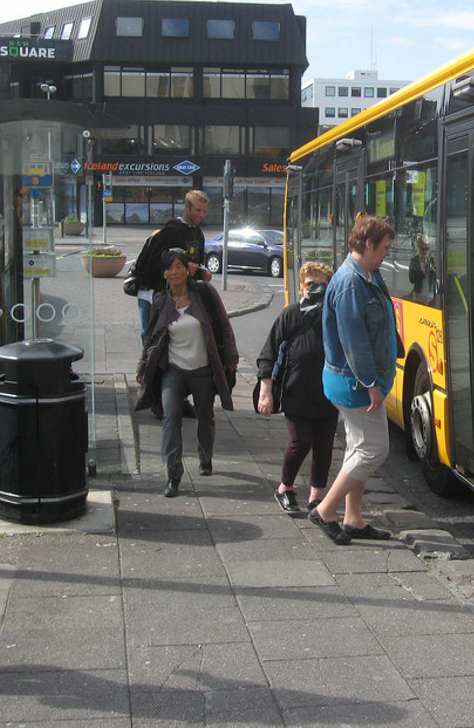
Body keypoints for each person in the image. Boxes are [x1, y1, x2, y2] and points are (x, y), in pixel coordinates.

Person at [308, 216, 399, 545]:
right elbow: (354, 342)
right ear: (368, 244)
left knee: (357, 448)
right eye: (385, 247)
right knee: (374, 449)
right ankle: (325, 510)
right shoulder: (350, 282)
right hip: (355, 384)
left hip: (358, 381)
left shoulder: (367, 274)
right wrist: (371, 383)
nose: (388, 253)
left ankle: (353, 518)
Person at [135, 248, 237, 498]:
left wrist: (230, 357)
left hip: (203, 369)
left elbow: (223, 324)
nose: (174, 272)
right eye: (169, 268)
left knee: (205, 416)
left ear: (187, 270)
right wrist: (142, 366)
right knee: (170, 419)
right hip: (174, 370)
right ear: (164, 273)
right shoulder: (161, 301)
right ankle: (173, 476)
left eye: (179, 266)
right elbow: (151, 337)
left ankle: (205, 457)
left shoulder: (204, 293)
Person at [256, 262, 337, 513]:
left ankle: (316, 496)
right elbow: (268, 353)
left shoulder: (334, 316)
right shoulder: (291, 314)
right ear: (302, 287)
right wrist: (266, 392)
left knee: (324, 446)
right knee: (300, 441)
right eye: (310, 284)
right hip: (296, 391)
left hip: (328, 393)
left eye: (322, 285)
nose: (316, 289)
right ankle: (285, 487)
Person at [134, 190, 213, 341]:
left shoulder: (198, 234)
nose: (201, 215)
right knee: (151, 335)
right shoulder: (171, 231)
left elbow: (196, 265)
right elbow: (153, 264)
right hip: (154, 292)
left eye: (204, 211)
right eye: (198, 210)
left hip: (180, 294)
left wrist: (201, 273)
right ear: (187, 207)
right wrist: (184, 267)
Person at [408, 236, 436, 302]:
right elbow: (411, 279)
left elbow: (436, 275)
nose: (425, 251)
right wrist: (422, 273)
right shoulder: (415, 260)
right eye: (422, 249)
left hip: (431, 295)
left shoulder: (431, 259)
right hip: (419, 295)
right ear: (418, 247)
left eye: (427, 249)